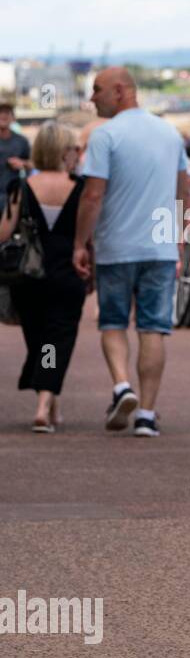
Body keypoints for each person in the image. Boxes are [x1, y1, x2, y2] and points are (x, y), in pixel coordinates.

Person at [72, 67, 190, 438]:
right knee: (154, 328)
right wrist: (177, 234)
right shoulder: (169, 133)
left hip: (116, 247)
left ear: (120, 91)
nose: (92, 99)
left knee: (113, 322)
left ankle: (123, 386)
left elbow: (93, 196)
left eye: (97, 90)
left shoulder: (106, 136)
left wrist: (80, 243)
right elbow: (183, 191)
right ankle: (148, 415)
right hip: (160, 247)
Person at [0, 123, 86, 432]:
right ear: (65, 152)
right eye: (74, 149)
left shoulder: (21, 187)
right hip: (67, 272)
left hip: (29, 276)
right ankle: (43, 406)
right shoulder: (80, 187)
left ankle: (51, 404)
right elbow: (90, 233)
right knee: (57, 340)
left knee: (39, 342)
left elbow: (4, 233)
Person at [0, 103, 32, 196]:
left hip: (13, 194)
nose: (3, 115)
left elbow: (33, 164)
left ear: (13, 118)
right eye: (0, 112)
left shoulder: (22, 141)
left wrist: (23, 163)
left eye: (7, 112)